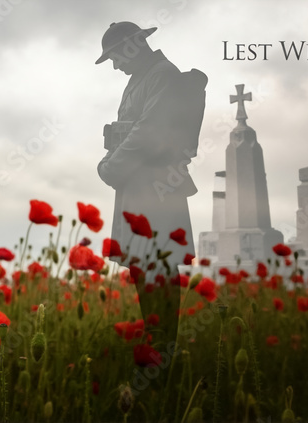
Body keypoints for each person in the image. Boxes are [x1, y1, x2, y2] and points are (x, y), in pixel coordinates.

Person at [95, 21, 206, 358]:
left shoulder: (161, 74)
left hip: (155, 188)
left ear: (134, 45)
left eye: (116, 56)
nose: (115, 64)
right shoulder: (139, 80)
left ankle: (163, 348)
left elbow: (148, 133)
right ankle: (157, 344)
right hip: (138, 184)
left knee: (158, 264)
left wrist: (110, 167)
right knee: (144, 266)